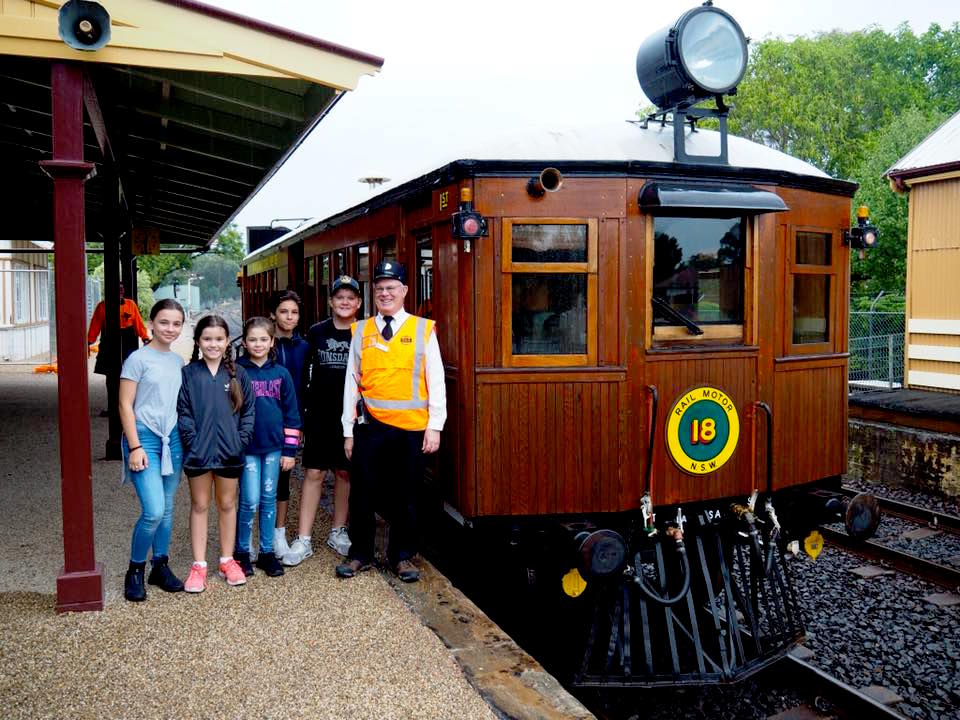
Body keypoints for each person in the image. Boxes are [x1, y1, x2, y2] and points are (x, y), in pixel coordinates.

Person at [336, 261, 446, 583]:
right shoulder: (361, 330)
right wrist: (348, 431)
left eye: (391, 288)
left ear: (404, 291)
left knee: (406, 495)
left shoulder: (423, 329)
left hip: (411, 428)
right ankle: (360, 554)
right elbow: (350, 383)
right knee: (363, 493)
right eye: (380, 288)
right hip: (369, 426)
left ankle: (401, 556)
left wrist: (435, 425)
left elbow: (435, 379)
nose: (385, 293)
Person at [284, 275, 361, 566]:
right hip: (319, 414)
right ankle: (303, 538)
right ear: (331, 301)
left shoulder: (363, 333)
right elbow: (305, 376)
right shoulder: (316, 332)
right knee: (314, 473)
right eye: (339, 297)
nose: (344, 302)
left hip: (351, 418)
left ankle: (338, 530)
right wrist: (301, 417)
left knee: (344, 473)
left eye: (350, 298)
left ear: (358, 302)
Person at [177, 315, 255, 592]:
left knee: (227, 504)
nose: (213, 344)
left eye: (219, 339)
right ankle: (198, 565)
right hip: (198, 454)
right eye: (207, 339)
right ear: (198, 341)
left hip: (229, 453)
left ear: (227, 342)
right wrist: (192, 440)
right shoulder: (189, 373)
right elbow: (184, 412)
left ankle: (227, 560)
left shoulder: (238, 374)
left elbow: (248, 412)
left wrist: (240, 440)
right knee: (199, 505)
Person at [118, 299, 187, 602]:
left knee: (168, 508)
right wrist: (134, 446)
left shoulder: (177, 361)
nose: (170, 329)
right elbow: (124, 404)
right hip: (144, 439)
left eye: (176, 323)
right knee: (153, 511)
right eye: (164, 322)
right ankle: (134, 569)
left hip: (171, 440)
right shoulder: (137, 359)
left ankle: (160, 564)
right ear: (151, 323)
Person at [235, 317, 301, 577]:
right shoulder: (238, 372)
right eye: (252, 339)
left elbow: (292, 414)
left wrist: (290, 450)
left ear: (272, 341)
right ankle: (242, 550)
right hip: (248, 448)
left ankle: (266, 552)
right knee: (249, 499)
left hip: (275, 448)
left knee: (268, 499)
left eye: (263, 339)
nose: (258, 344)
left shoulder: (281, 374)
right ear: (244, 342)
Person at [268, 290, 309, 560]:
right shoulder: (264, 343)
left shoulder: (304, 347)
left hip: (291, 420)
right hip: (267, 420)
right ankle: (260, 532)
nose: (289, 317)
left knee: (284, 478)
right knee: (261, 480)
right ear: (273, 314)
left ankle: (279, 532)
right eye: (284, 311)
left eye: (294, 312)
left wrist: (301, 421)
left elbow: (306, 385)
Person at [88, 282, 150, 417]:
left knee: (130, 375)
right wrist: (89, 341)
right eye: (117, 289)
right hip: (109, 341)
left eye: (122, 289)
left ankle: (130, 407)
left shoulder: (130, 304)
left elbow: (138, 322)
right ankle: (112, 408)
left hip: (128, 341)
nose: (120, 291)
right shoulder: (102, 306)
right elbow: (95, 324)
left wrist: (145, 338)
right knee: (111, 378)